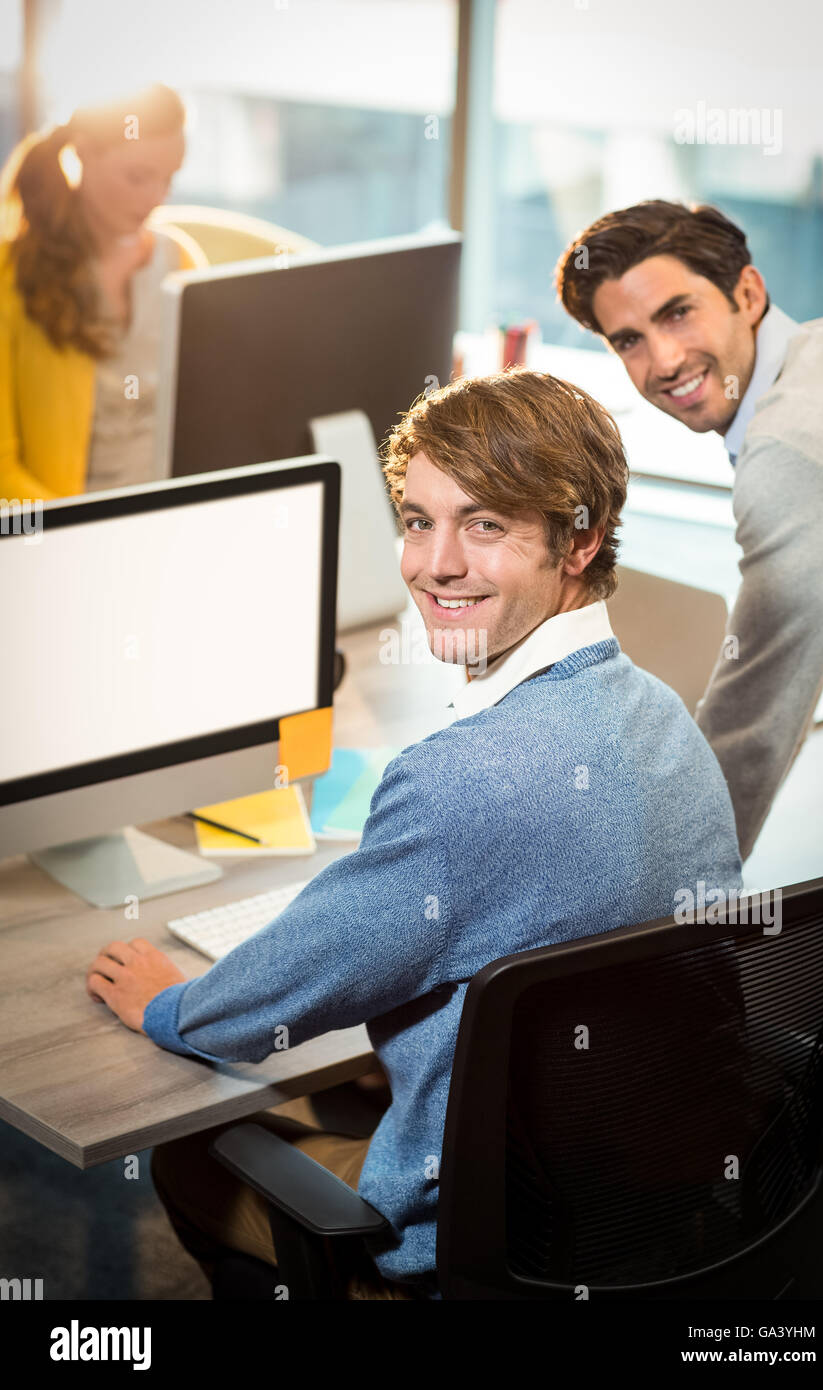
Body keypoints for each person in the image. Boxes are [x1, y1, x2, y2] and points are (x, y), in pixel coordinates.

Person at [84, 367, 742, 1299]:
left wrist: (165, 1003)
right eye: (417, 519)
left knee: (189, 1153)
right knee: (351, 1080)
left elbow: (259, 1012)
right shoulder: (667, 715)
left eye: (485, 526)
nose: (434, 563)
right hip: (657, 1205)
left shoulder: (454, 785)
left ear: (580, 540)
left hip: (488, 1246)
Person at [555, 201, 823, 860]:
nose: (663, 360)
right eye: (628, 340)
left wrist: (643, 928)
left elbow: (751, 727)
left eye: (677, 312)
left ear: (747, 293)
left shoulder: (791, 451)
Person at [0, 83, 204, 502]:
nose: (156, 199)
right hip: (66, 527)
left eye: (169, 179)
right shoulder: (11, 274)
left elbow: (211, 410)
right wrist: (76, 533)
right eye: (138, 177)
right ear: (84, 153)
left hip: (177, 510)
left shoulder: (180, 261)